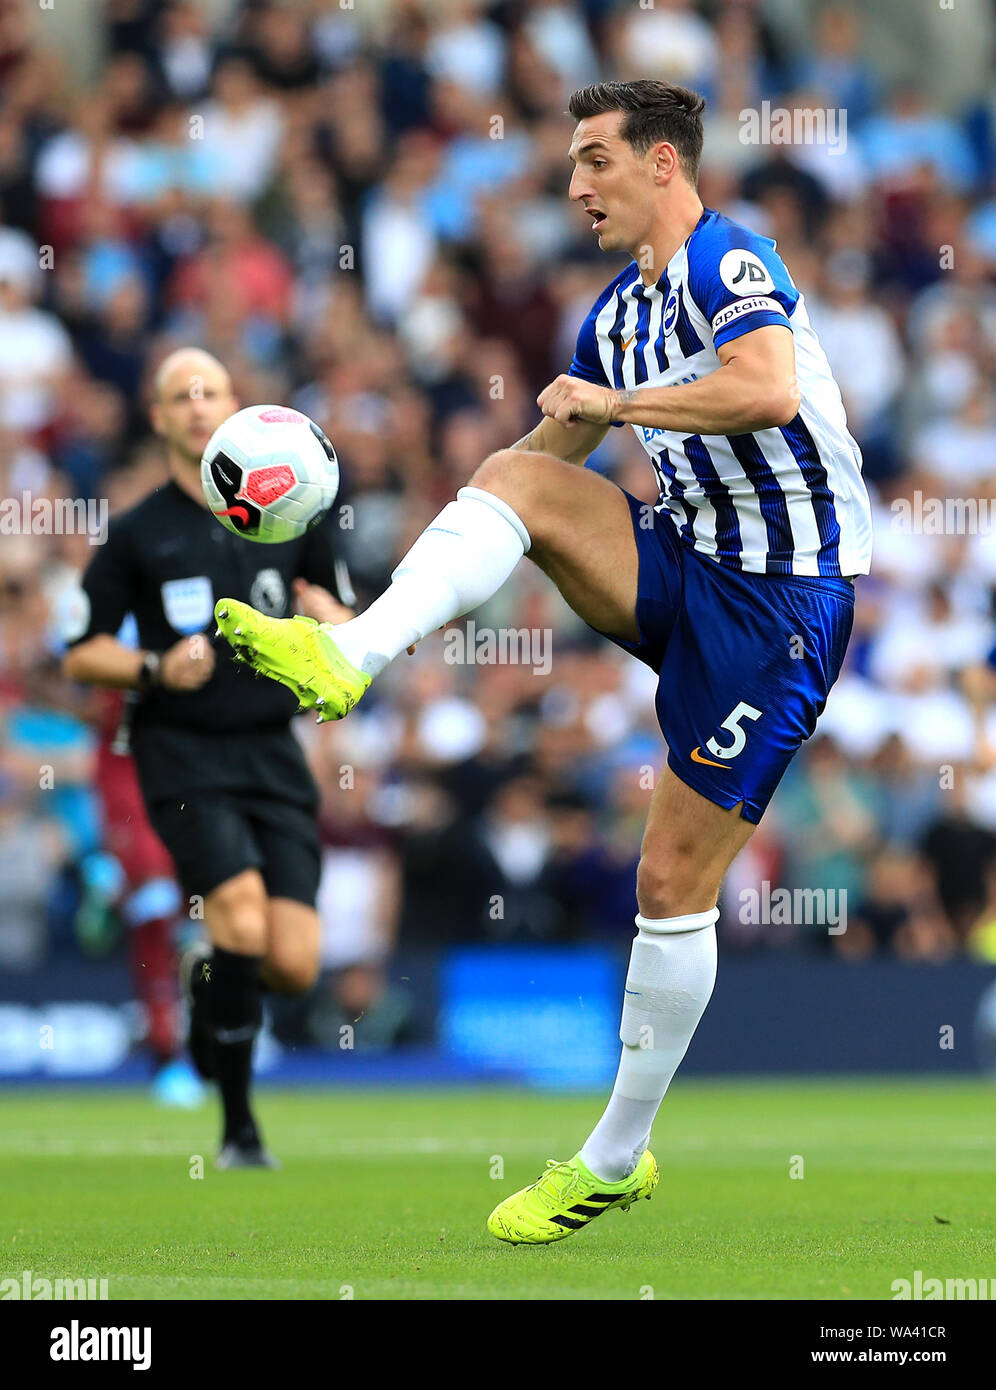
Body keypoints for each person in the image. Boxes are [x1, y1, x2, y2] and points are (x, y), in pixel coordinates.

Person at [214, 80, 872, 1234]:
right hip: (683, 562)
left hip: (782, 603)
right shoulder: (613, 316)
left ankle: (617, 1154)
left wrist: (622, 403)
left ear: (664, 164)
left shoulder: (730, 262)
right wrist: (385, 600)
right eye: (573, 167)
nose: (576, 187)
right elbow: (523, 471)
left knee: (669, 885)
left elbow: (766, 388)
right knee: (518, 479)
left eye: (596, 162)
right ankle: (350, 652)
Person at [63, 347, 354, 1167]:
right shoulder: (138, 532)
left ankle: (207, 989)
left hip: (271, 749)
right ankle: (238, 1129)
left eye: (212, 391)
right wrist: (155, 667)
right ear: (157, 417)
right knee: (243, 920)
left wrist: (334, 616)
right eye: (179, 395)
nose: (196, 406)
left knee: (292, 965)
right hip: (181, 750)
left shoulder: (293, 506)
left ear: (235, 407)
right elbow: (82, 652)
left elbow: (333, 609)